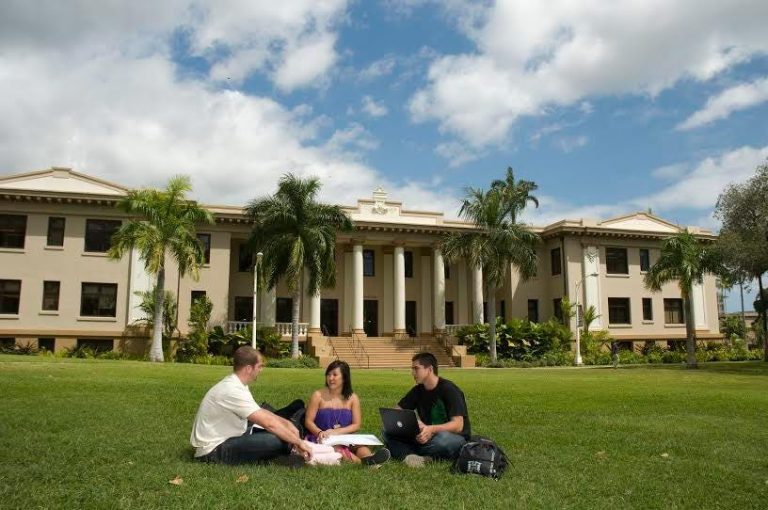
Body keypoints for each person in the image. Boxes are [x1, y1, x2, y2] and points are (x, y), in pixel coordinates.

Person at [190, 346, 312, 465]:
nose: (261, 370)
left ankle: (287, 449)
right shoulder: (232, 389)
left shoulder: (238, 384)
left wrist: (287, 424)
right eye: (259, 366)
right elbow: (268, 423)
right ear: (249, 368)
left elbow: (261, 412)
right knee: (277, 440)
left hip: (232, 436)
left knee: (283, 433)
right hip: (213, 451)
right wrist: (298, 441)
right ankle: (288, 453)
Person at [383, 352, 470, 468]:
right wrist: (411, 424)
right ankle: (413, 457)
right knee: (387, 431)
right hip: (425, 435)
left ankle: (405, 452)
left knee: (443, 441)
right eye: (412, 369)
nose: (413, 373)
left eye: (416, 368)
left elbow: (458, 425)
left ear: (429, 369)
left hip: (452, 437)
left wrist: (431, 429)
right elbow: (396, 412)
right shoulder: (418, 390)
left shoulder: (449, 390)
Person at [305, 360, 390, 466]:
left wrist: (336, 432)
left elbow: (356, 425)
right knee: (337, 449)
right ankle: (365, 463)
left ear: (344, 378)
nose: (330, 378)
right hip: (321, 438)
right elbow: (308, 421)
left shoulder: (353, 398)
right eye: (328, 374)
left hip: (345, 437)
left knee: (361, 447)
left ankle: (371, 459)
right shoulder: (318, 395)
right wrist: (319, 432)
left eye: (335, 375)